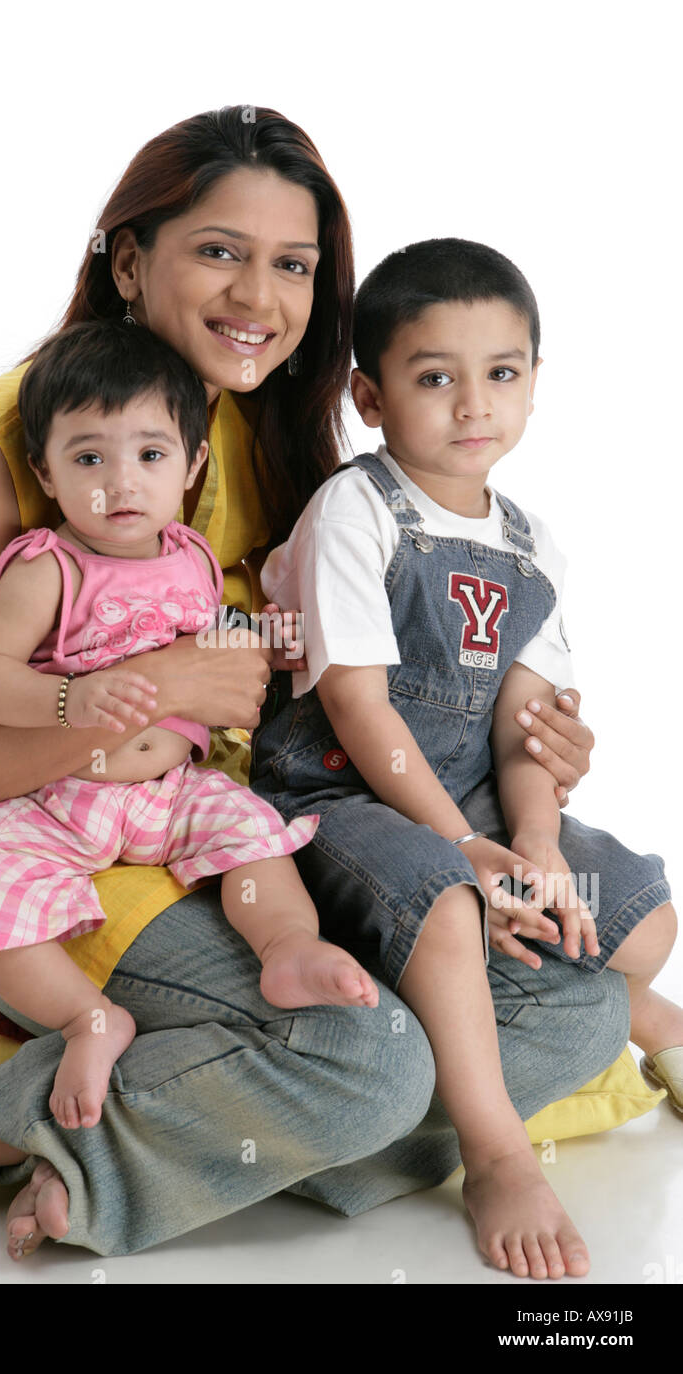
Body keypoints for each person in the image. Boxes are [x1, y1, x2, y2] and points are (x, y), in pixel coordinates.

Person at [0, 110, 611, 1288]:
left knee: (579, 1011)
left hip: (245, 835)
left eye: (293, 265)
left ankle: (195, 1144)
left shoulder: (270, 435)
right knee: (374, 1060)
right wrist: (119, 703)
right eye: (217, 251)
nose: (258, 294)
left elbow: (364, 690)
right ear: (128, 259)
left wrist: (528, 735)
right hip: (55, 845)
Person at [250, 236, 679, 1278]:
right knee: (446, 897)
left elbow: (524, 722)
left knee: (634, 915)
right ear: (368, 393)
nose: (471, 404)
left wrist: (528, 837)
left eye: (500, 374)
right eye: (433, 377)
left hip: (476, 798)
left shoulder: (531, 543)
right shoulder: (357, 510)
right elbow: (352, 702)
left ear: (533, 382)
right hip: (339, 794)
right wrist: (461, 849)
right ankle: (491, 1150)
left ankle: (639, 1007)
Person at [0, 318, 378, 1131]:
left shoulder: (193, 557)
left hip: (173, 792)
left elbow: (212, 641)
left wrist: (273, 643)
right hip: (60, 796)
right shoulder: (48, 568)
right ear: (45, 472)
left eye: (151, 455)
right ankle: (85, 1018)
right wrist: (69, 703)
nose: (119, 483)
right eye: (88, 458)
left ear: (192, 466)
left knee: (256, 836)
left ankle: (286, 949)